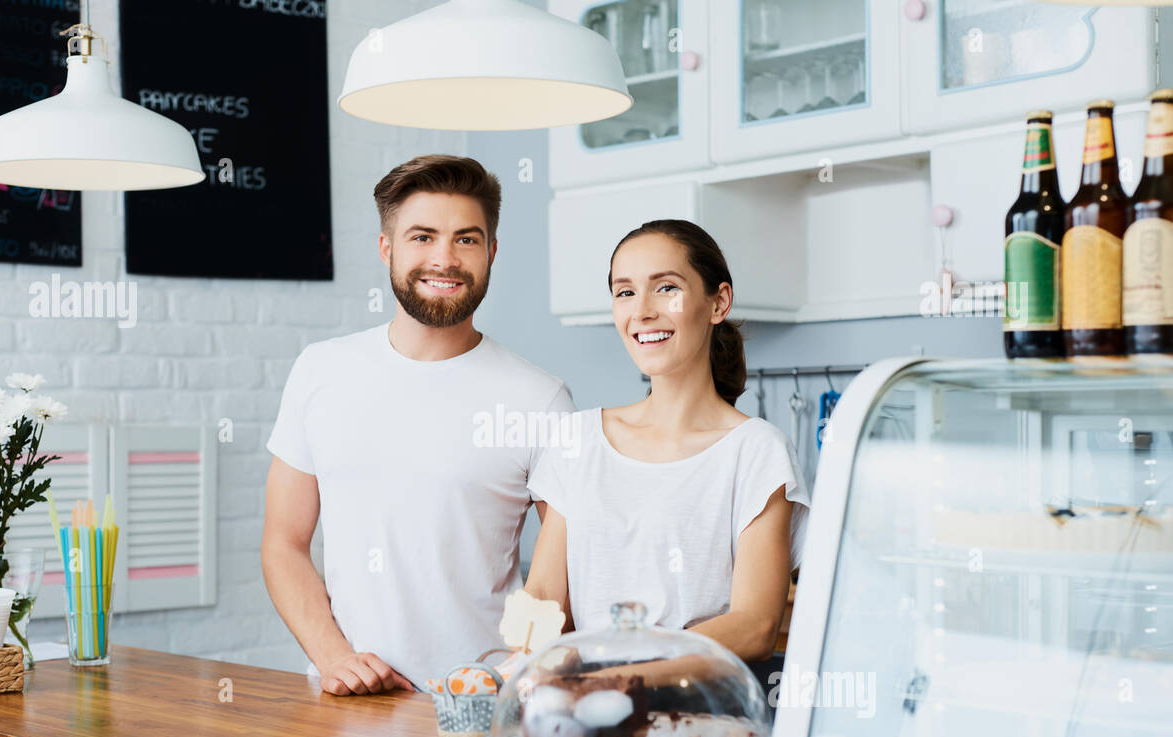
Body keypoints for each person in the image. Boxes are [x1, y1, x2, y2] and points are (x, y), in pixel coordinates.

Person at [263, 155, 575, 695]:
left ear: (492, 252)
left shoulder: (540, 399)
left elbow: (571, 564)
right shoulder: (321, 370)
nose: (445, 259)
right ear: (388, 248)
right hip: (346, 703)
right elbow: (283, 542)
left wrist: (508, 673)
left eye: (467, 239)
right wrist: (336, 658)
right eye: (423, 237)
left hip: (482, 708)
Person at [523, 219, 810, 674]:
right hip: (587, 712)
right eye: (625, 292)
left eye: (666, 288)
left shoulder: (756, 452)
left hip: (701, 718)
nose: (642, 311)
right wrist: (516, 670)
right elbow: (542, 595)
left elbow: (755, 627)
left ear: (719, 302)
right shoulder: (576, 440)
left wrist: (623, 677)